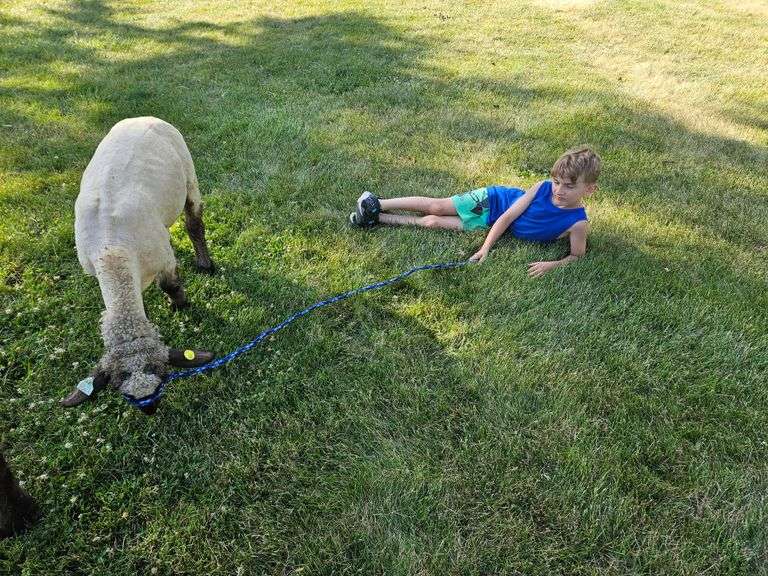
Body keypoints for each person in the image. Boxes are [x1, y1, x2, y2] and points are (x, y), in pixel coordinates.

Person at [349, 147, 600, 277]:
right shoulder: (542, 188)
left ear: (589, 189)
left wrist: (552, 265)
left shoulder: (577, 223)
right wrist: (485, 248)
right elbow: (508, 216)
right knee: (437, 206)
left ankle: (374, 219)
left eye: (569, 186)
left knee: (432, 223)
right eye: (557, 182)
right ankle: (376, 203)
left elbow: (577, 256)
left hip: (487, 219)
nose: (559, 190)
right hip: (494, 202)